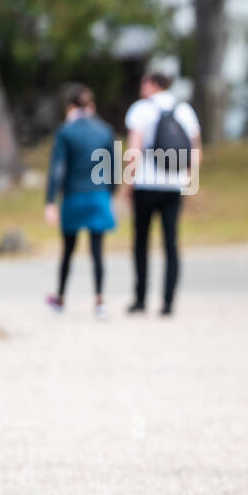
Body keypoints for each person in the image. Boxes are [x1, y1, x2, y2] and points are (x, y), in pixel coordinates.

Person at [123, 71, 200, 316]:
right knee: (170, 244)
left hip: (146, 184)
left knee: (141, 243)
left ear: (151, 84)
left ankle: (140, 298)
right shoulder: (185, 110)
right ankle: (168, 302)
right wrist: (189, 180)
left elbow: (134, 150)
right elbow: (195, 150)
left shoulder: (140, 110)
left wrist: (127, 183)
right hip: (173, 186)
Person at [44, 85, 117, 318]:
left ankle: (61, 298)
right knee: (97, 250)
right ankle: (99, 300)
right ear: (91, 105)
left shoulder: (66, 132)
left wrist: (50, 201)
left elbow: (57, 168)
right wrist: (110, 194)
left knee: (68, 250)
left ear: (70, 106)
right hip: (98, 195)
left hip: (74, 196)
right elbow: (113, 168)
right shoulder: (105, 130)